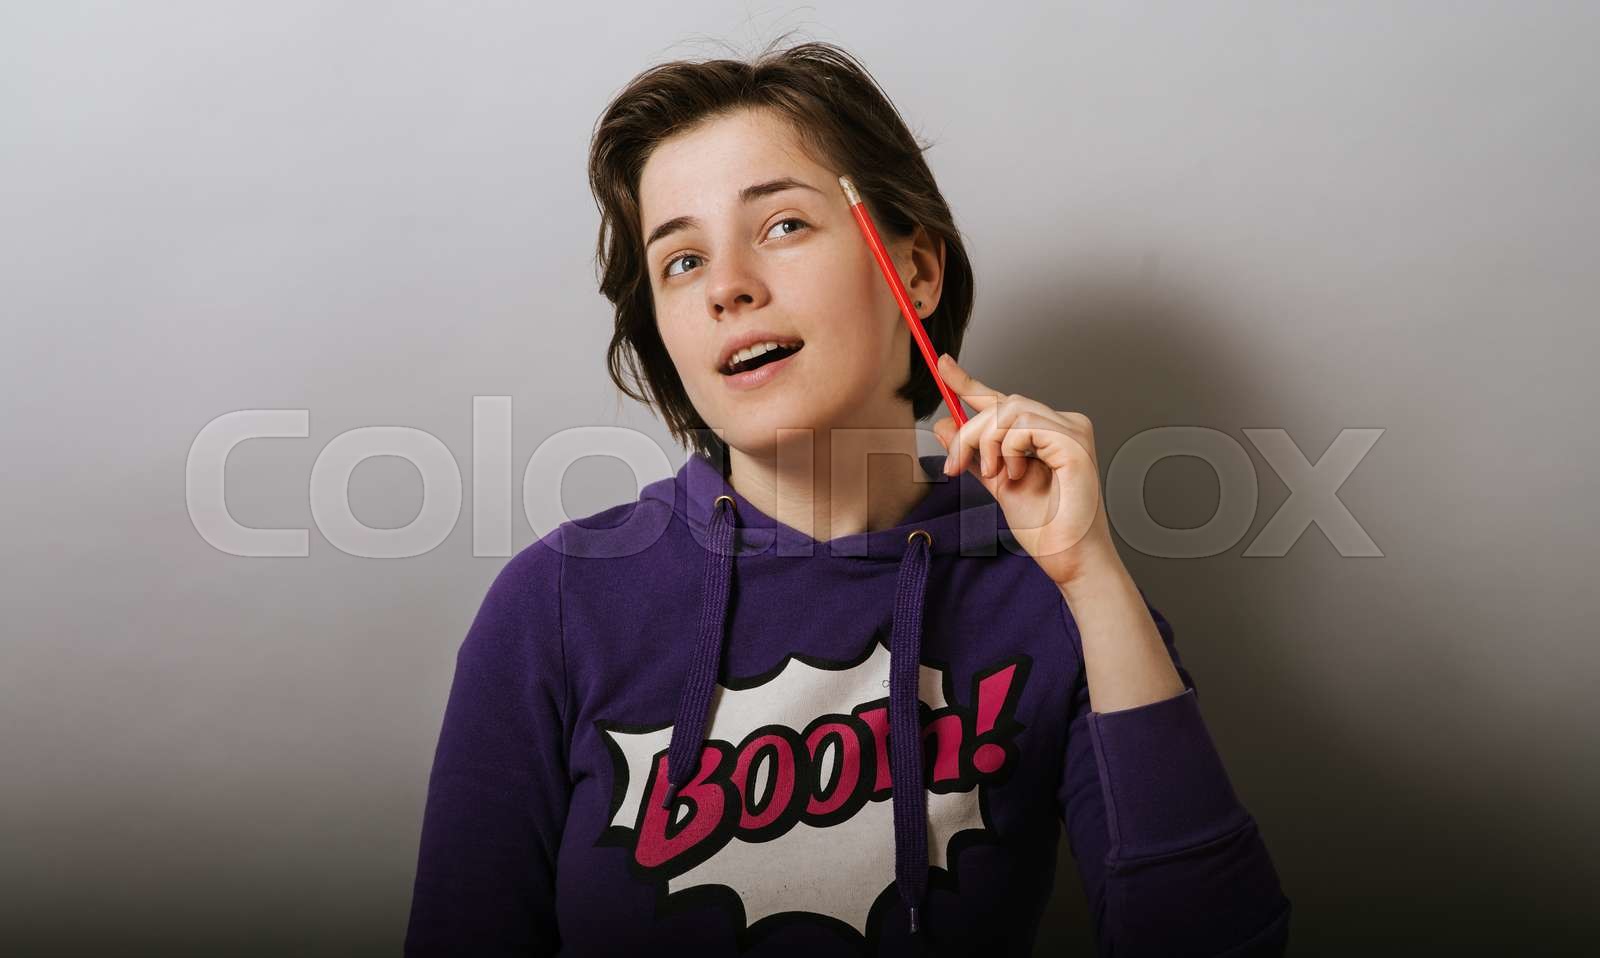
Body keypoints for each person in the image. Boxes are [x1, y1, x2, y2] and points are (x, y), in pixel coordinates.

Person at [404, 39, 1291, 957]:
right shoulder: (556, 603)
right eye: (679, 262)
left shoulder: (1049, 598)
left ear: (915, 270)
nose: (728, 289)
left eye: (782, 224)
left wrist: (1091, 576)